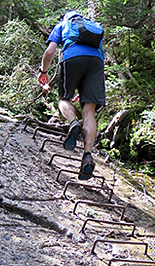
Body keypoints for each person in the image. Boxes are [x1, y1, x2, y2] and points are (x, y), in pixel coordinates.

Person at [38, 11, 105, 180]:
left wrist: (43, 71)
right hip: (96, 62)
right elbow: (96, 52)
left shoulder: (62, 25)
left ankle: (73, 123)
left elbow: (50, 51)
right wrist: (83, 86)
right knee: (89, 110)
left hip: (73, 57)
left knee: (64, 99)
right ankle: (87, 156)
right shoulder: (93, 27)